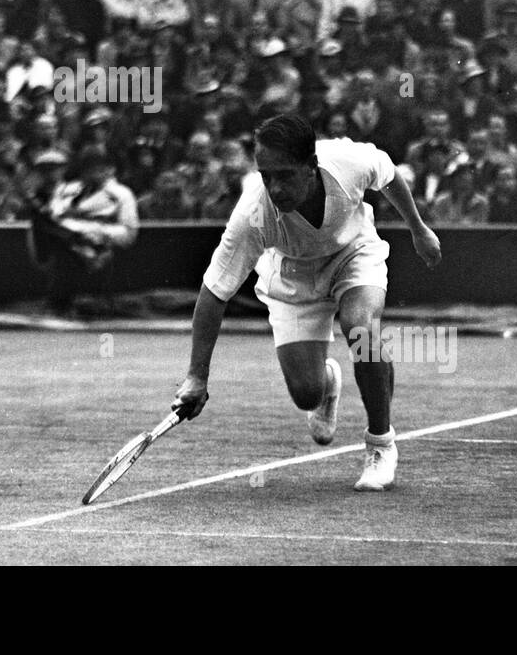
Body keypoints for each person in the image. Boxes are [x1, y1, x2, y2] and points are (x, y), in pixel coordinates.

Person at [171, 113, 441, 493]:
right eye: (266, 176)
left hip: (353, 254)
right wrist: (197, 376)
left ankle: (381, 443)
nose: (274, 187)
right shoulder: (252, 214)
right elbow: (215, 292)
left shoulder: (350, 162)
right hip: (292, 277)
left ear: (311, 167)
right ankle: (327, 382)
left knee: (361, 328)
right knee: (306, 394)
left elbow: (390, 174)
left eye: (284, 175)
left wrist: (418, 228)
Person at [35, 145, 139, 312]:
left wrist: (97, 232)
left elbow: (129, 233)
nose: (94, 171)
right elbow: (53, 219)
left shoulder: (122, 193)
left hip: (103, 248)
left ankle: (90, 303)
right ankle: (60, 304)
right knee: (52, 232)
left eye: (100, 166)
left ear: (111, 168)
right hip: (67, 245)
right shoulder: (66, 190)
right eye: (89, 166)